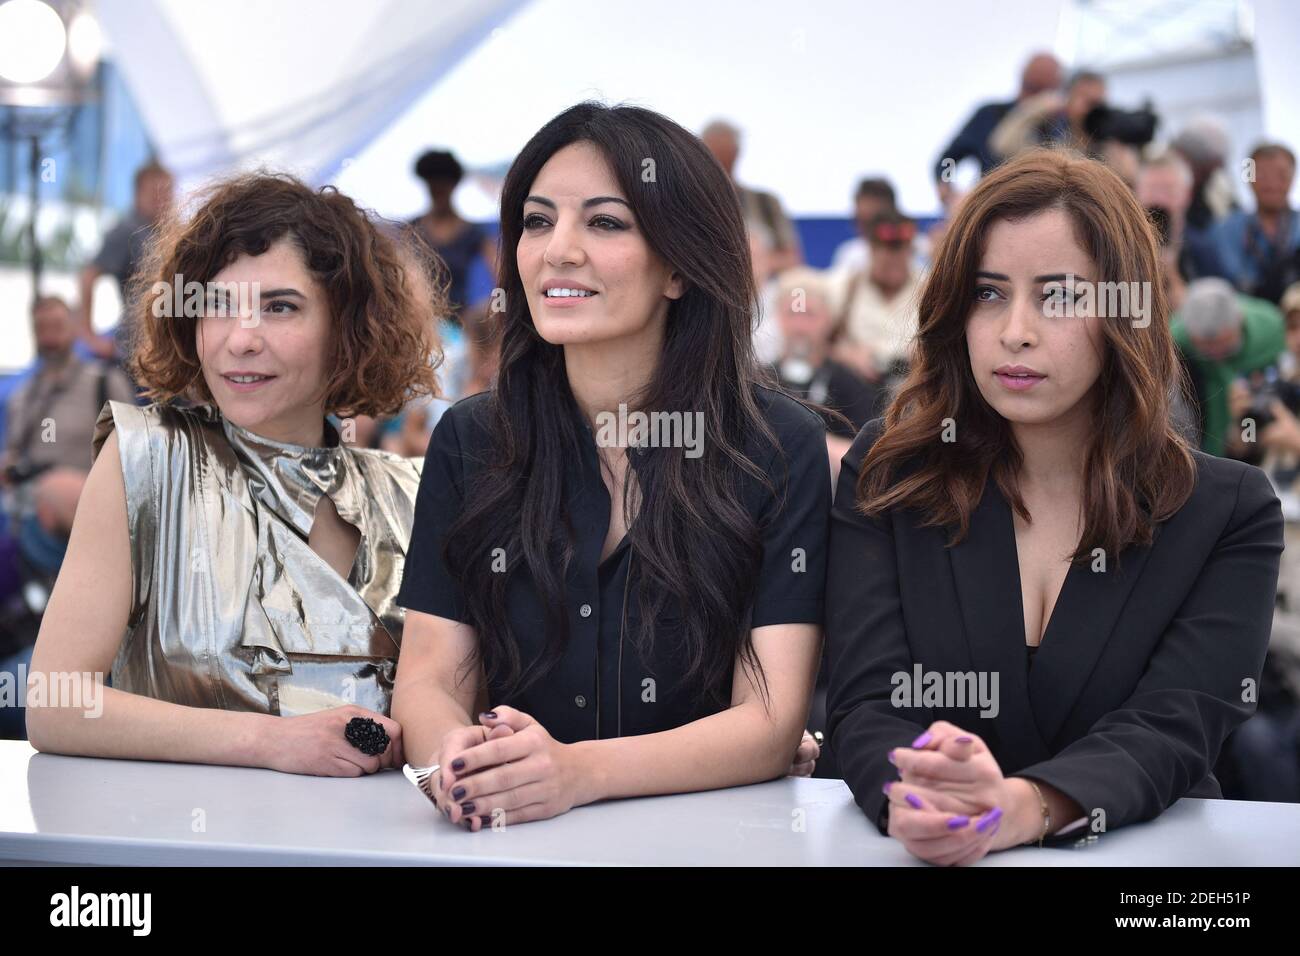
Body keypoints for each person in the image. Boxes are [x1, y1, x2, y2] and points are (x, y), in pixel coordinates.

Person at [826, 149, 1282, 866]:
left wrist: (1026, 806)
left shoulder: (1227, 510)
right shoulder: (890, 469)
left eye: (1060, 296)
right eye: (987, 293)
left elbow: (1174, 723)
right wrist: (921, 795)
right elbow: (865, 704)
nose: (1016, 331)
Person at [393, 102, 828, 831]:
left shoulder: (778, 444)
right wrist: (463, 764)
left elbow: (772, 721)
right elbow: (432, 675)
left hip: (714, 843)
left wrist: (574, 773)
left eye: (605, 222)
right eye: (536, 221)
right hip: (504, 840)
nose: (558, 250)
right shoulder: (472, 438)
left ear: (680, 269)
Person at [25, 173, 442, 774]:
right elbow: (53, 704)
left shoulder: (415, 491)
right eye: (217, 305)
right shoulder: (145, 458)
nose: (241, 339)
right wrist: (270, 742)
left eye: (280, 307)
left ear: (348, 329)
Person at [1172, 277, 1285, 458]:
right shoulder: (1176, 337)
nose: (1214, 353)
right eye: (1205, 346)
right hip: (1205, 418)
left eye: (1221, 343)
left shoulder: (1272, 328)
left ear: (1238, 321)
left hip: (1262, 430)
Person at [78, 160, 175, 362]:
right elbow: (88, 277)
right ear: (138, 194)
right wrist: (89, 336)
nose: (163, 199)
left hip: (169, 345)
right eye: (155, 193)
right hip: (139, 348)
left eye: (167, 193)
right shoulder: (128, 230)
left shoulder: (170, 233)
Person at [932, 52, 1062, 200]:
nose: (1036, 98)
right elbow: (949, 159)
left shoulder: (1062, 125)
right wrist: (946, 187)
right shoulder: (989, 115)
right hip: (989, 205)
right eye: (1030, 87)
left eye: (1044, 91)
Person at [702, 119, 803, 272]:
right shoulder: (689, 203)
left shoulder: (766, 203)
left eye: (726, 156)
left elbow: (792, 258)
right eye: (715, 156)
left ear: (736, 155)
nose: (720, 166)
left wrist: (758, 264)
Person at [1210, 142, 1300, 304]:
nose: (1272, 184)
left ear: (1293, 177)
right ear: (1249, 179)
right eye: (1263, 175)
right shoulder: (1226, 231)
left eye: (1281, 175)